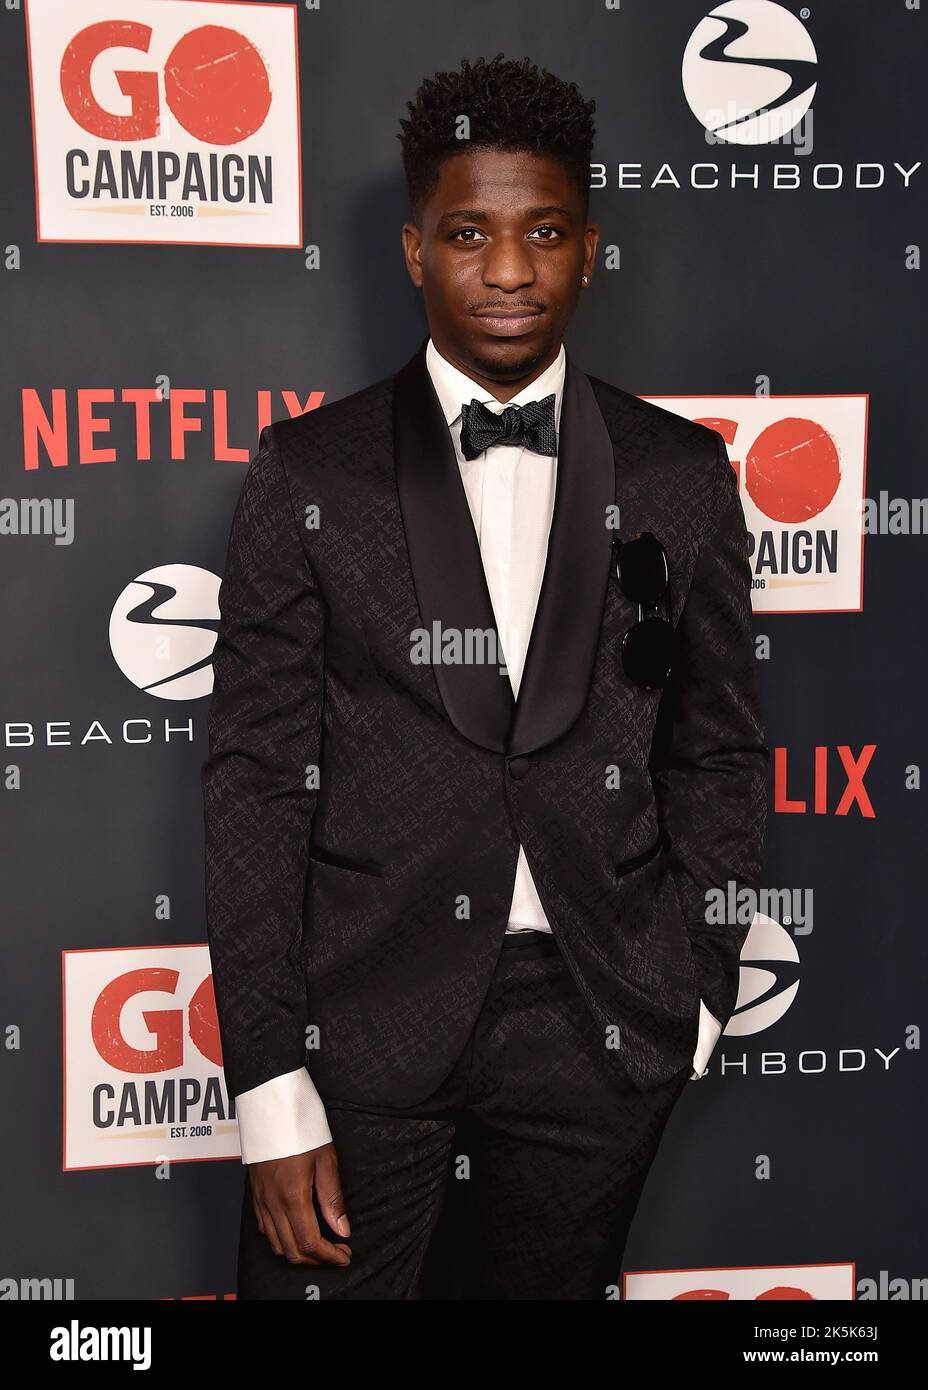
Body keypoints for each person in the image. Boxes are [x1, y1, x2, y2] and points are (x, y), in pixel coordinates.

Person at [201, 54, 768, 1300]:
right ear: (414, 251)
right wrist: (266, 1075)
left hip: (599, 1019)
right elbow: (254, 782)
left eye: (544, 233)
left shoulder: (682, 473)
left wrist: (706, 988)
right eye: (468, 233)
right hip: (358, 1022)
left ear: (587, 249)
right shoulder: (308, 473)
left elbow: (717, 750)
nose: (508, 270)